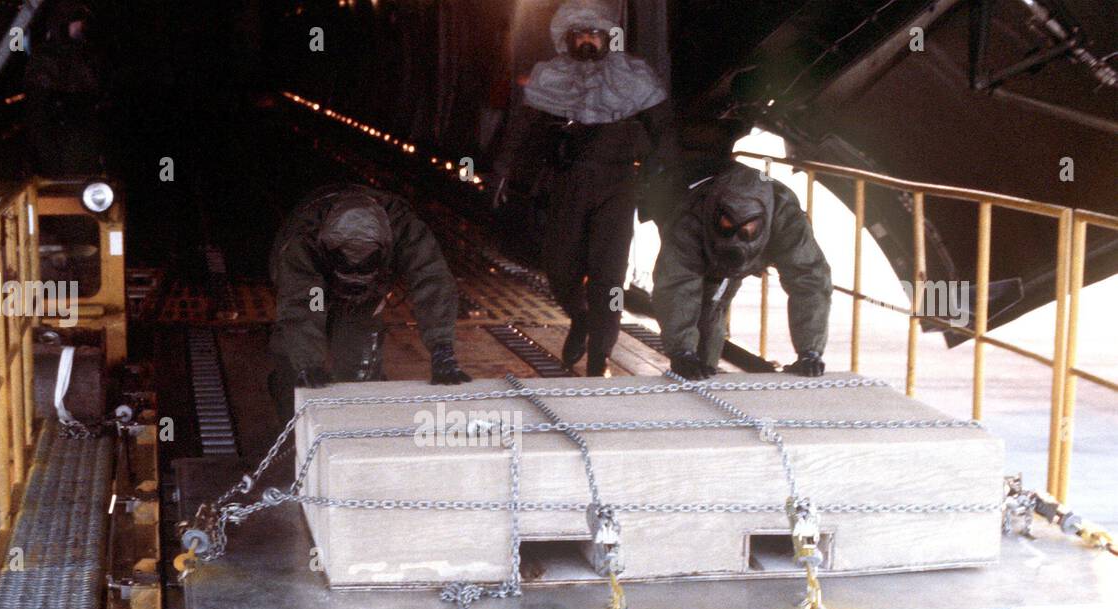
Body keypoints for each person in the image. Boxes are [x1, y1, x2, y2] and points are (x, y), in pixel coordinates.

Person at [493, 0, 680, 377]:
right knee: (559, 271)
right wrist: (502, 173)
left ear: (608, 37)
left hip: (618, 186)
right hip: (567, 185)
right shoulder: (549, 79)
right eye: (580, 34)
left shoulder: (635, 79)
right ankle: (580, 319)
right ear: (567, 38)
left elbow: (664, 132)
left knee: (608, 279)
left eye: (594, 33)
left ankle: (600, 356)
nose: (587, 40)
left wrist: (667, 181)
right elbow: (519, 131)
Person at [268, 184, 471, 417]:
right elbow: (302, 303)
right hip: (316, 288)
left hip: (369, 295)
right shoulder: (302, 243)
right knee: (294, 363)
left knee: (358, 363)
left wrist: (441, 346)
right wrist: (308, 362)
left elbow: (431, 280)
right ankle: (293, 423)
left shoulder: (405, 230)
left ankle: (359, 423)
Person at [653, 162, 831, 379]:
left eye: (747, 231)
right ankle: (701, 369)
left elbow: (810, 280)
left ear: (763, 220)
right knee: (708, 306)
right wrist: (681, 351)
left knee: (713, 305)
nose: (736, 241)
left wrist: (809, 351)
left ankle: (705, 368)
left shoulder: (787, 218)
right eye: (729, 227)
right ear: (716, 214)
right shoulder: (689, 221)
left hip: (754, 252)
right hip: (705, 252)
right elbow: (676, 285)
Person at [25, 2, 106, 176]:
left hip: (82, 137)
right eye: (78, 22)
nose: (82, 27)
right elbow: (39, 111)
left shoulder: (84, 54)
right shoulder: (47, 57)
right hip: (62, 141)